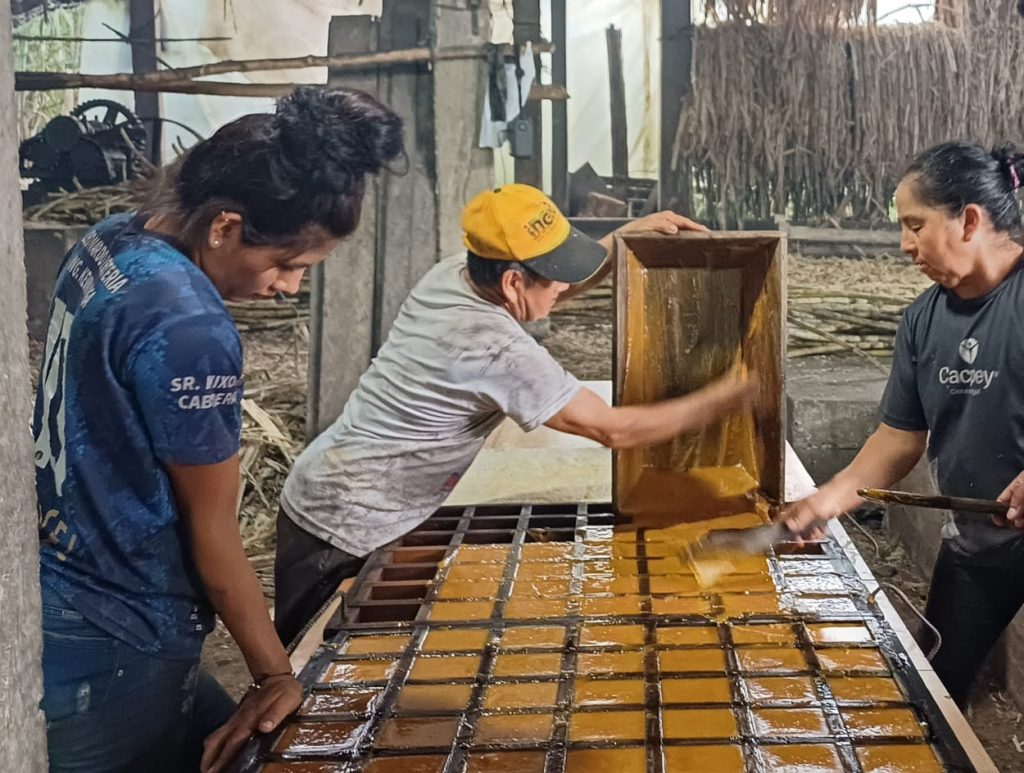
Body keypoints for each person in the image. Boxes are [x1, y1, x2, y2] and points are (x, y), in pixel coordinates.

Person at [33, 86, 403, 772]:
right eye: (287, 265)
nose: (289, 287)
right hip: (118, 618)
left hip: (61, 566)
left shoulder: (109, 237)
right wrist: (274, 673)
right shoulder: (190, 326)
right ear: (225, 226)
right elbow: (215, 535)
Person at [274, 183, 758, 645]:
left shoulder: (454, 274)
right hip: (342, 522)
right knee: (317, 663)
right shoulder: (494, 349)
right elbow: (614, 430)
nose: (564, 288)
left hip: (343, 482)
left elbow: (541, 295)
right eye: (555, 275)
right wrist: (726, 396)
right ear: (511, 281)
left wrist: (626, 237)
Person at [785, 142, 1024, 708]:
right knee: (933, 702)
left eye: (916, 225)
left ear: (969, 219)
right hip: (980, 540)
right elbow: (899, 436)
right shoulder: (923, 320)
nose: (904, 245)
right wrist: (828, 501)